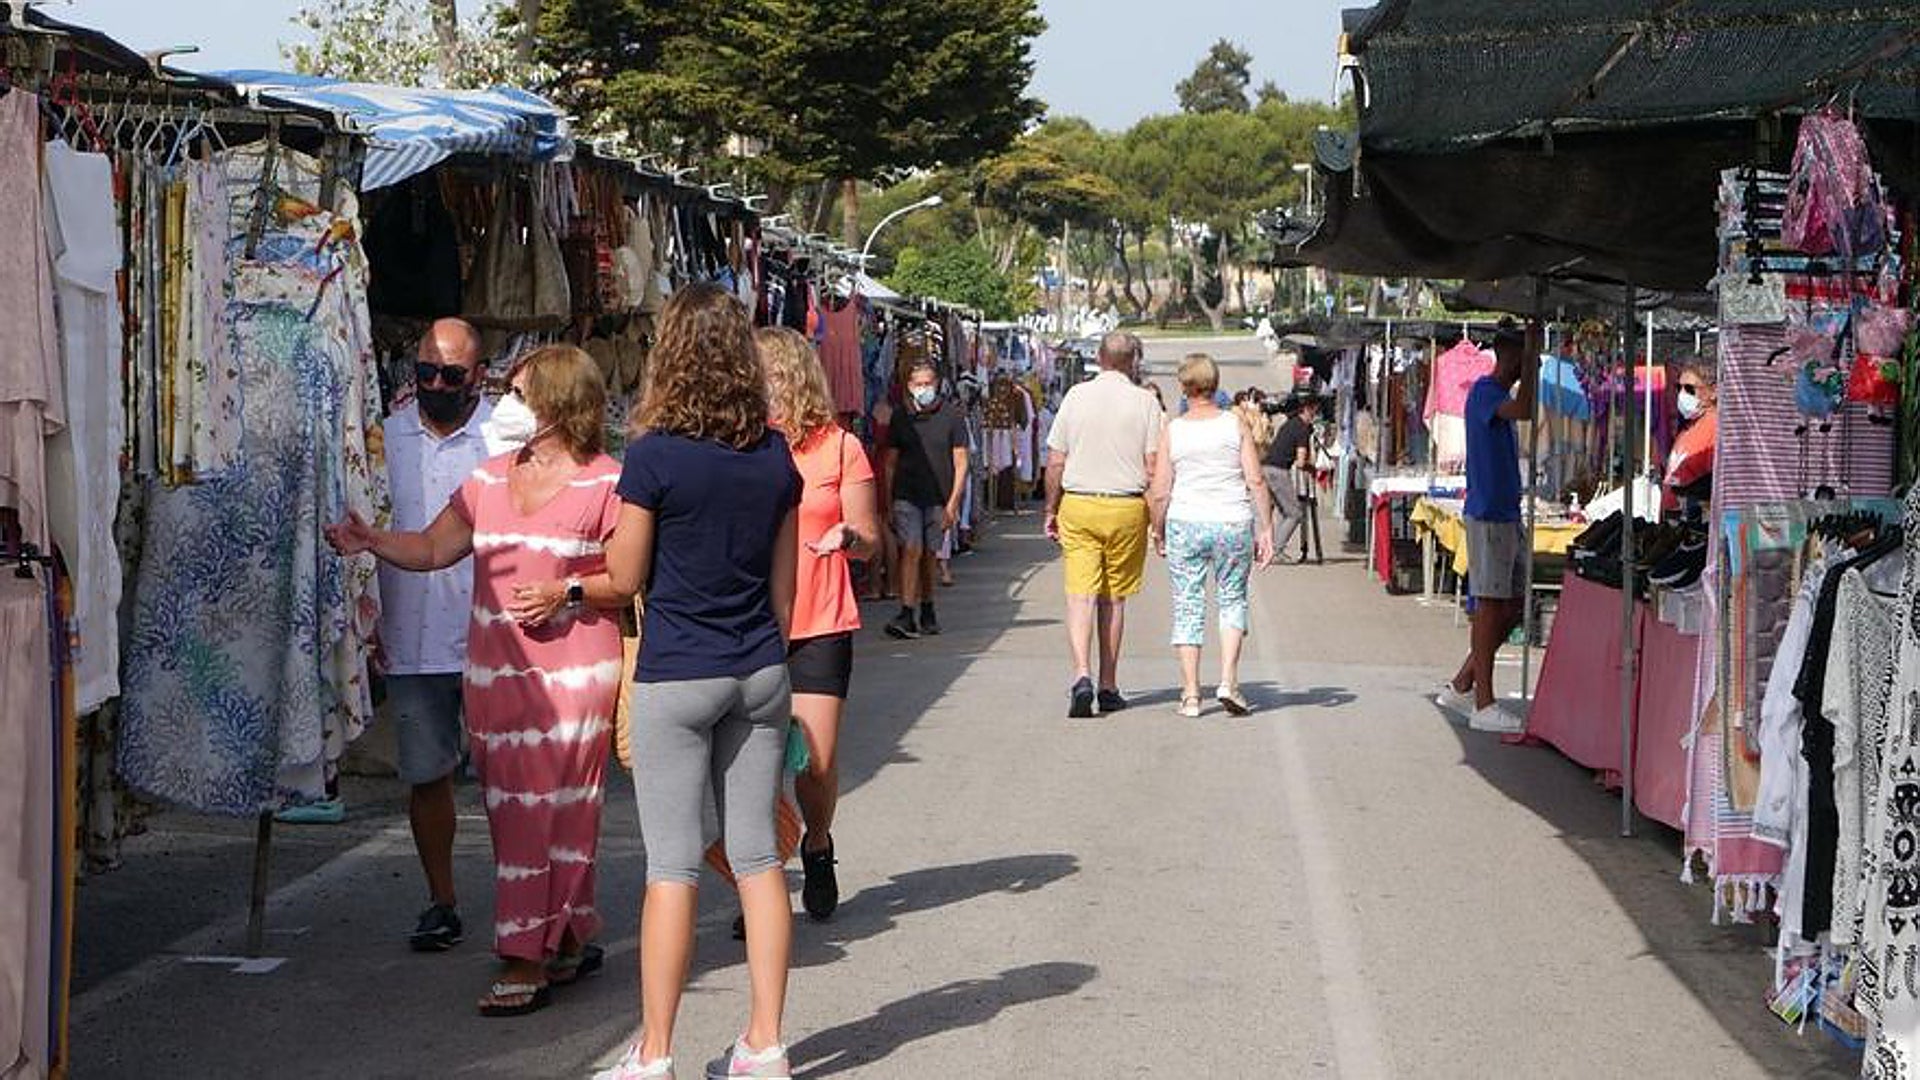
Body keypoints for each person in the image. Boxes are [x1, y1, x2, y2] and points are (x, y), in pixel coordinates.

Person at [325, 344, 627, 1016]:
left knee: (555, 809)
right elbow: (433, 548)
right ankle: (570, 932)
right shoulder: (487, 481)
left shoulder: (608, 482)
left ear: (558, 405)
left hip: (576, 669)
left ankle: (525, 955)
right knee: (515, 809)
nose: (507, 406)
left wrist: (566, 591)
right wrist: (371, 540)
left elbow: (630, 579)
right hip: (496, 674)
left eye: (520, 393)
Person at [595, 283, 801, 1080]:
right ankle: (766, 1043)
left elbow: (624, 572)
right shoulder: (775, 455)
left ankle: (654, 1054)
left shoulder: (652, 456)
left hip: (679, 671)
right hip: (759, 668)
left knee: (672, 867)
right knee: (757, 860)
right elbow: (783, 592)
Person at [755, 326, 880, 921]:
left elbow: (871, 538)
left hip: (821, 619)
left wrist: (848, 538)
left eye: (771, 377)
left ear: (796, 380)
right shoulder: (742, 446)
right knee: (752, 760)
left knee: (815, 760)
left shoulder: (839, 447)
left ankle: (818, 840)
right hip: (752, 618)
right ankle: (761, 876)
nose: (762, 389)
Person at [376, 318, 493, 951]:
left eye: (451, 374)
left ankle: (527, 897)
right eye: (425, 371)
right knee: (427, 775)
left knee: (510, 776)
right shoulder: (385, 438)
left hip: (496, 633)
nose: (436, 384)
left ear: (477, 375)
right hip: (413, 632)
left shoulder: (508, 433)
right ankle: (441, 899)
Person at [1044, 331, 1163, 718]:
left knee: (1080, 595)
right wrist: (1158, 520)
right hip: (1126, 506)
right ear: (1133, 361)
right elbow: (1152, 467)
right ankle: (1109, 684)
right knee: (1113, 598)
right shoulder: (1147, 402)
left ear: (1099, 357)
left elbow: (1056, 460)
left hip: (1078, 504)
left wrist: (1051, 507)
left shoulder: (1076, 397)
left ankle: (1082, 674)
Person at [1150, 355, 1275, 717]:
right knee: (1232, 599)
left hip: (1185, 521)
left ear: (1183, 386)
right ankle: (1228, 681)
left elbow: (1160, 489)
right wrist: (1265, 528)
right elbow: (1255, 480)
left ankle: (1190, 694)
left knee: (1188, 604)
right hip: (1231, 521)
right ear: (1216, 384)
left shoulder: (1173, 430)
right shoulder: (1234, 425)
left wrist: (1157, 528)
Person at [1436, 320, 1537, 734]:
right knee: (1490, 605)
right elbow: (1526, 410)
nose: (1522, 371)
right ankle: (1484, 702)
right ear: (1509, 356)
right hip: (1489, 515)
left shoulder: (1497, 395)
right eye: (1520, 361)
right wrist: (1532, 357)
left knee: (1513, 606)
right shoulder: (1484, 393)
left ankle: (1463, 682)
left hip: (1506, 514)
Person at [883, 362, 967, 640]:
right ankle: (907, 611)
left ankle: (927, 607)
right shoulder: (900, 417)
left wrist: (954, 504)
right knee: (911, 549)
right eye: (918, 384)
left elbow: (961, 462)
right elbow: (890, 463)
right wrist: (887, 500)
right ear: (908, 387)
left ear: (937, 383)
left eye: (927, 383)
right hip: (906, 495)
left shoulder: (952, 416)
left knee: (929, 554)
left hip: (938, 497)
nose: (923, 389)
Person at [1263, 394, 1317, 564]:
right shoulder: (1301, 428)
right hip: (1278, 470)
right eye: (1314, 411)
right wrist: (1312, 467)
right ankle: (1277, 550)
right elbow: (1301, 462)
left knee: (1280, 511)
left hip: (1267, 467)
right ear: (1308, 409)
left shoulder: (1290, 424)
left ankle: (1268, 549)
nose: (1314, 416)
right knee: (1294, 513)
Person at [1665, 357, 1717, 515]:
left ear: (1714, 391)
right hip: (1674, 520)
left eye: (1689, 388)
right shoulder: (1690, 425)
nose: (1681, 394)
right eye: (1678, 387)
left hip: (1696, 521)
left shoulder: (1717, 429)